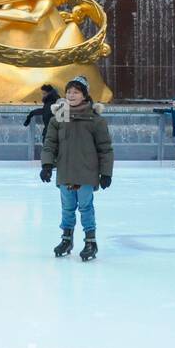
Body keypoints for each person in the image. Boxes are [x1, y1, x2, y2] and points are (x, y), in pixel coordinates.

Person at [40, 75, 113, 261]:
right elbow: (50, 143)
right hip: (65, 171)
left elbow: (105, 149)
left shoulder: (94, 119)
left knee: (86, 207)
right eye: (69, 91)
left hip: (86, 171)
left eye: (76, 92)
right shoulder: (60, 117)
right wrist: (47, 164)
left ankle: (90, 241)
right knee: (67, 207)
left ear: (84, 95)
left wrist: (106, 173)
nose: (71, 95)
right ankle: (66, 238)